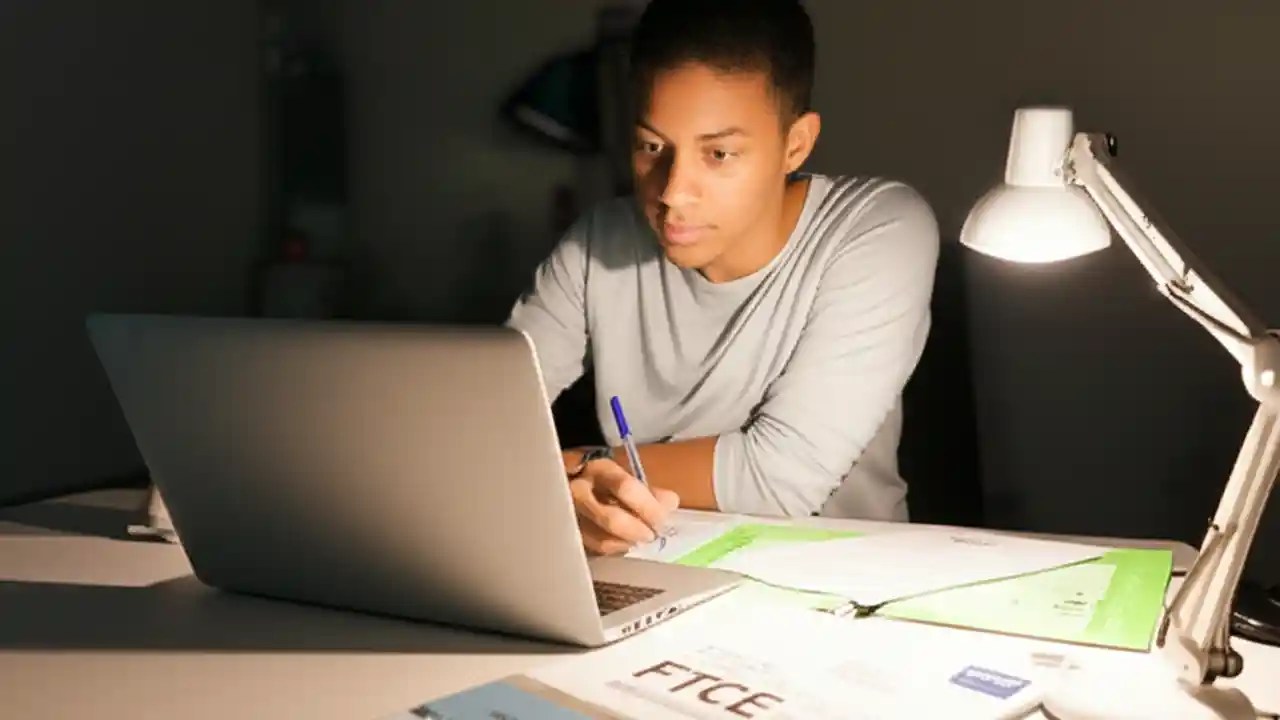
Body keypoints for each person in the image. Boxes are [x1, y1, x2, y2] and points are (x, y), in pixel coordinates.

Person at [506, 0, 939, 555]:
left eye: (719, 153)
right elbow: (488, 426)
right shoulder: (598, 244)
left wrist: (576, 467)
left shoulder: (880, 227)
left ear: (796, 144)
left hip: (840, 586)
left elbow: (779, 477)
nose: (671, 191)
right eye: (652, 147)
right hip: (652, 573)